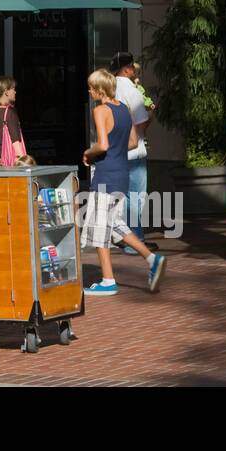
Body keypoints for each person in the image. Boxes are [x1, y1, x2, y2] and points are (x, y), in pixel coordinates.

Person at [81, 69, 166, 297]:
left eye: (90, 87)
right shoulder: (124, 110)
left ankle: (108, 280)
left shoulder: (100, 110)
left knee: (100, 228)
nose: (89, 91)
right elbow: (131, 142)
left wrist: (88, 154)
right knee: (115, 225)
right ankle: (152, 258)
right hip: (121, 174)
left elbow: (103, 145)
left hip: (106, 175)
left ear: (99, 90)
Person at [111, 52, 153, 251]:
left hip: (117, 150)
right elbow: (142, 124)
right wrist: (152, 112)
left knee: (124, 197)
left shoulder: (110, 88)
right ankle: (135, 242)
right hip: (134, 151)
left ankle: (129, 238)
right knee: (135, 197)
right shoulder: (132, 90)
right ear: (127, 69)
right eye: (132, 67)